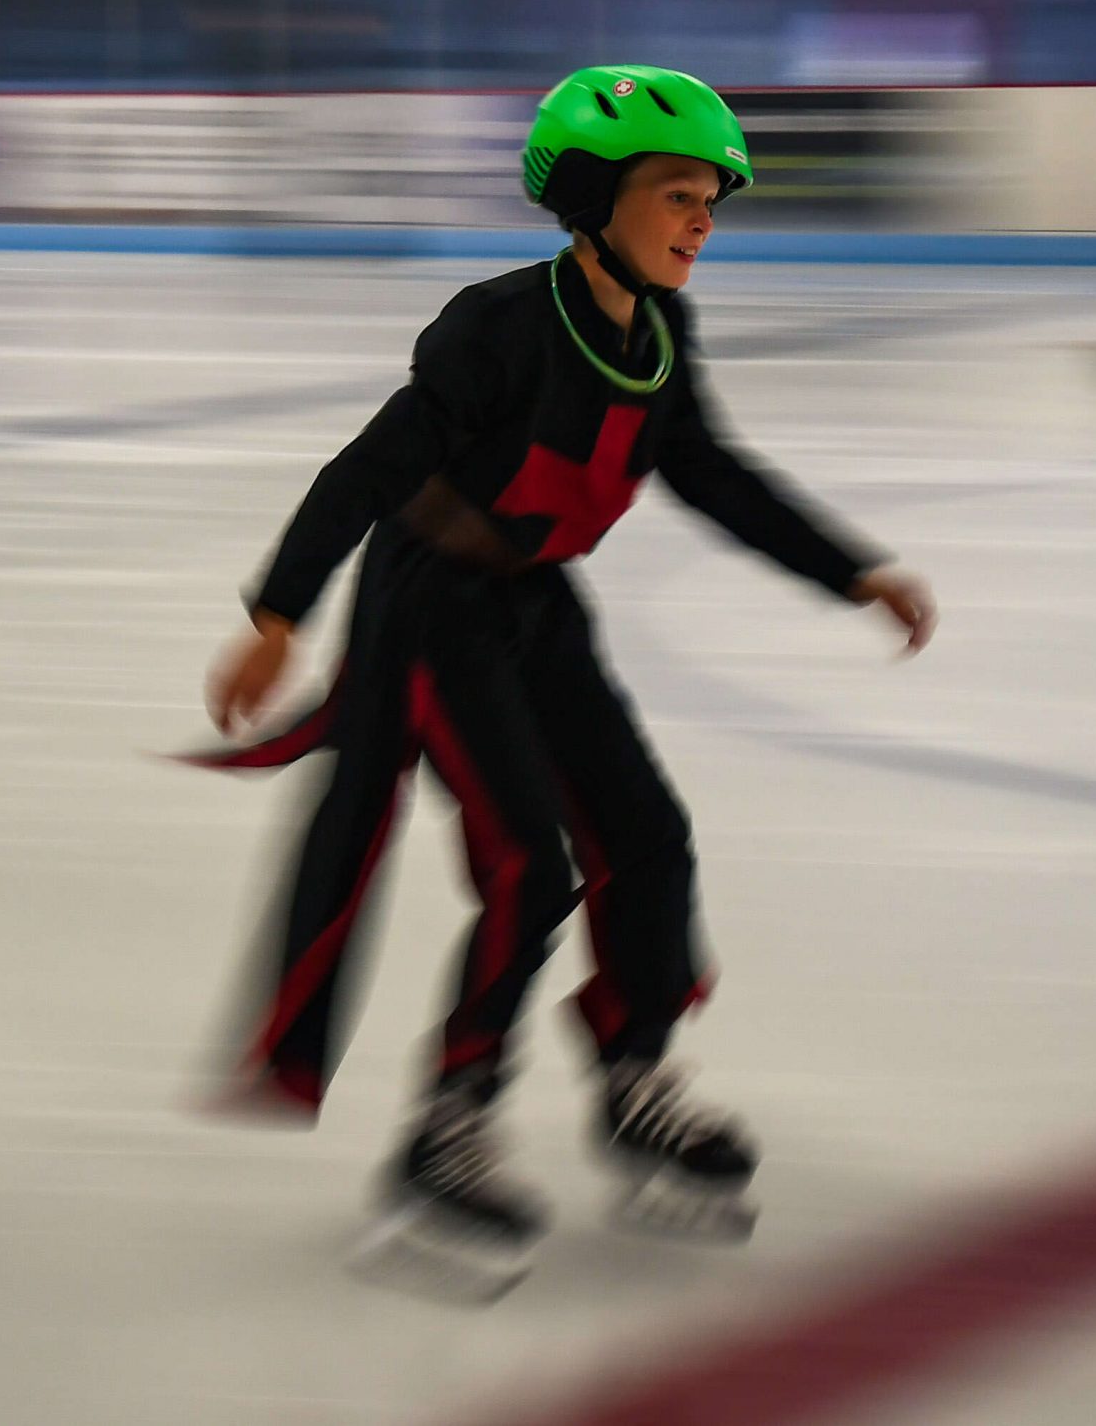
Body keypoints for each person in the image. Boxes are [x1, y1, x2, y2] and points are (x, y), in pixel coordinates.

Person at [194, 65, 936, 1298]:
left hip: (535, 606)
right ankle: (452, 1118)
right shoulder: (497, 326)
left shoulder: (659, 328)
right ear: (595, 196)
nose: (703, 221)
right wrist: (277, 613)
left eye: (712, 200)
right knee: (526, 864)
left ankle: (633, 1074)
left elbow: (708, 472)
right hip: (433, 609)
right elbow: (372, 465)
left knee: (647, 834)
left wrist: (851, 571)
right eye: (678, 196)